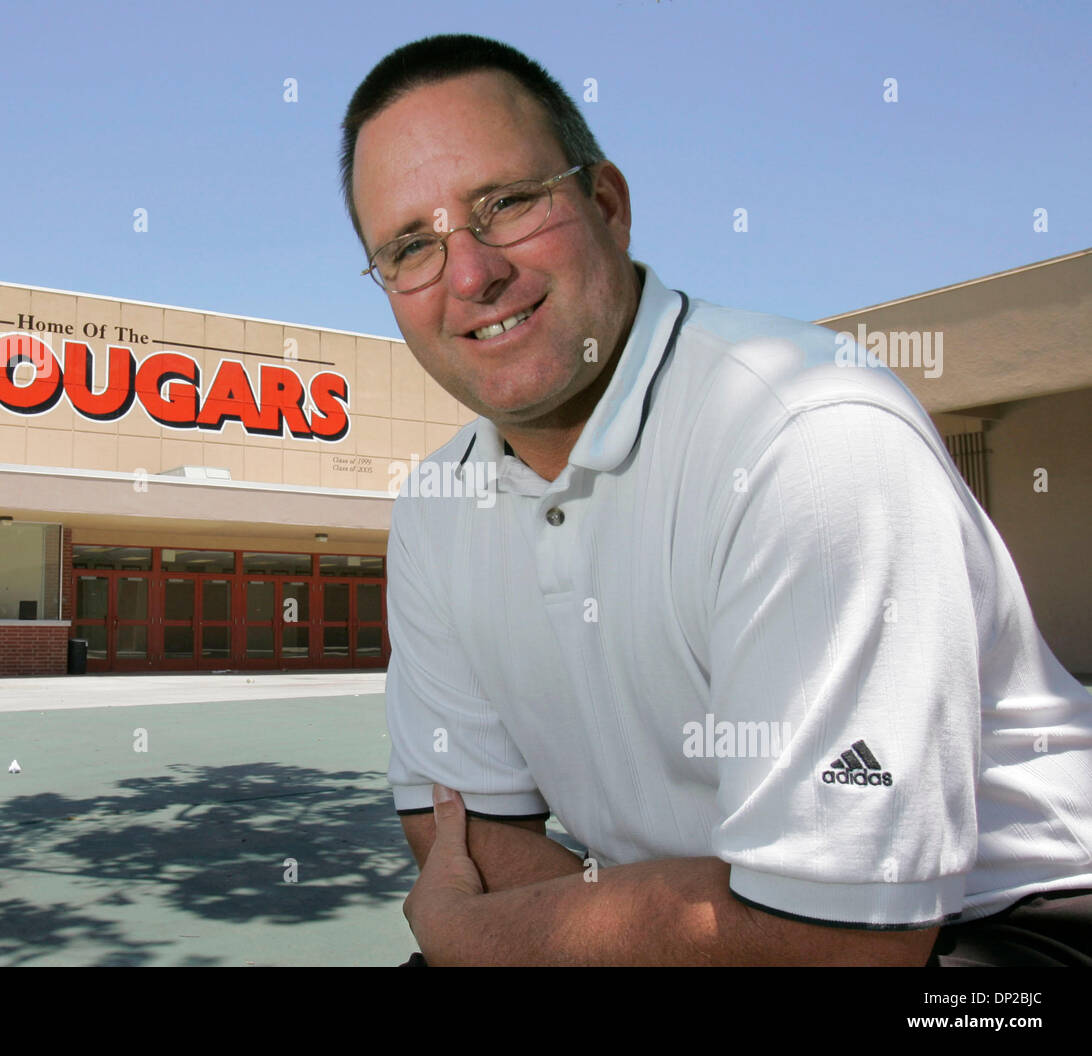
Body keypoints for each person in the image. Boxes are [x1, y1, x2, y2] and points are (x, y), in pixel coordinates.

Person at [339, 33, 1092, 966]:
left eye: (506, 204)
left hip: (1004, 937)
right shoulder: (435, 506)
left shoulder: (807, 434)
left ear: (606, 205)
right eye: (411, 245)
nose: (469, 273)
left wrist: (469, 934)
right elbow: (459, 830)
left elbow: (841, 952)